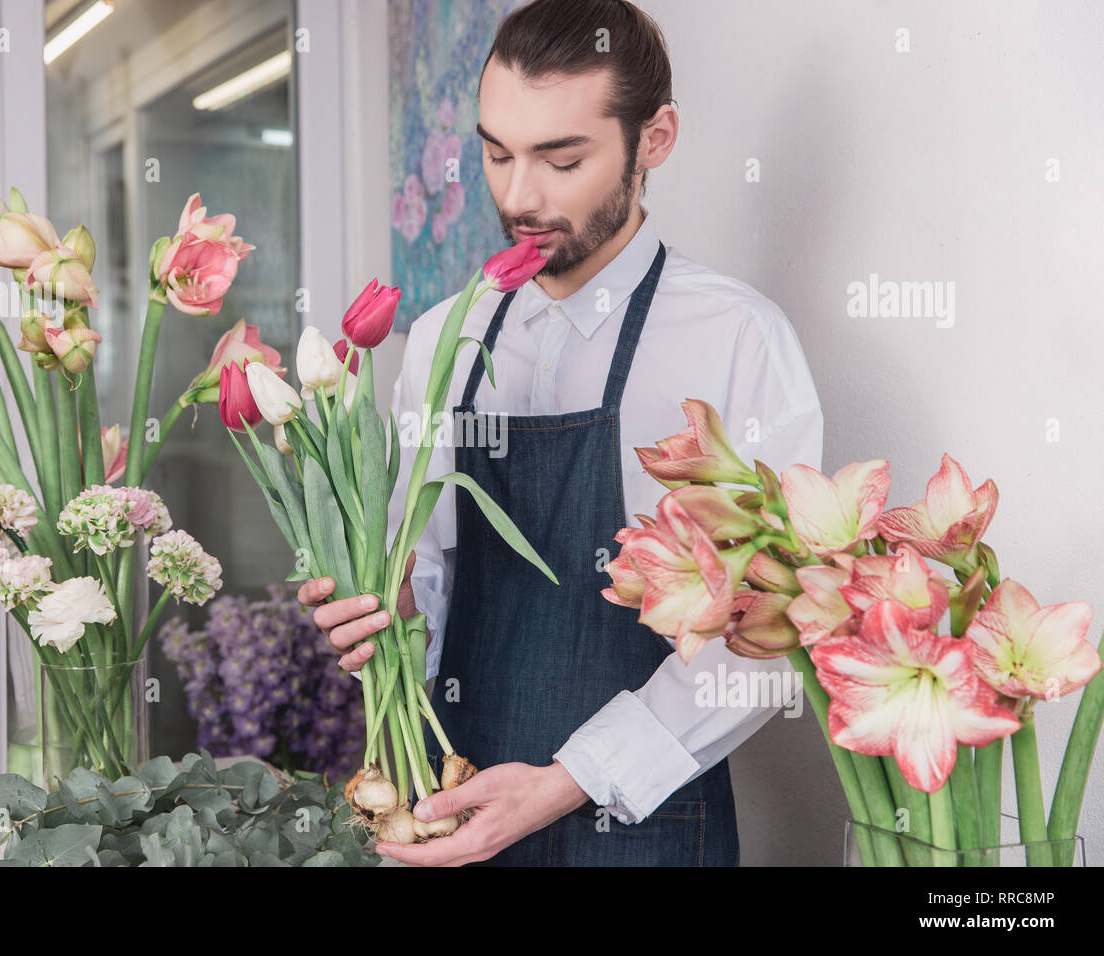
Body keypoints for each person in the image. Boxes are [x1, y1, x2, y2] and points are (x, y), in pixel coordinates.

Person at [298, 0, 823, 866]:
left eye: (561, 157)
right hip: (451, 803)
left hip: (645, 825)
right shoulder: (442, 339)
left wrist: (567, 780)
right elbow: (422, 568)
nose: (518, 196)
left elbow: (764, 641)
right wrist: (379, 616)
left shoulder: (735, 340)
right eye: (497, 152)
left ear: (655, 139)